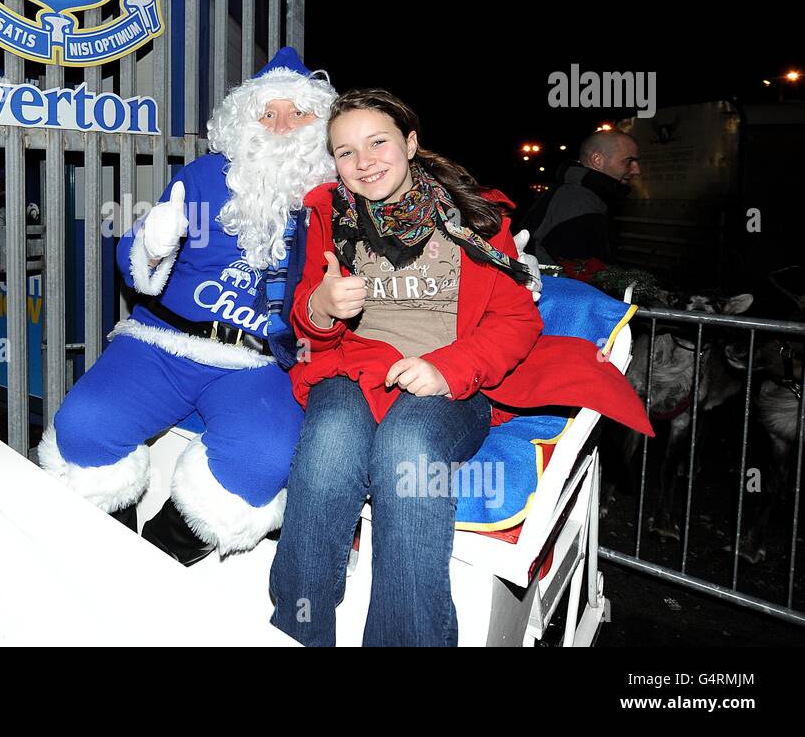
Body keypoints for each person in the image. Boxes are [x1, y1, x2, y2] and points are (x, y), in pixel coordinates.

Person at [269, 88, 650, 646]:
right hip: (354, 369)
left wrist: (449, 368)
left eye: (378, 142)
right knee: (329, 438)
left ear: (411, 143)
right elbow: (306, 320)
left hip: (452, 381)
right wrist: (322, 308)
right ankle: (297, 629)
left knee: (410, 449)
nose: (364, 161)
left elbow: (517, 319)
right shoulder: (328, 214)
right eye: (345, 152)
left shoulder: (472, 218)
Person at [36, 48, 338, 564]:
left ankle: (154, 562)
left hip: (260, 362)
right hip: (163, 342)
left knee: (260, 461)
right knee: (84, 428)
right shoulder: (203, 176)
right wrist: (152, 245)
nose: (282, 125)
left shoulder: (342, 196)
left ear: (323, 123)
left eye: (299, 113)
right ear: (244, 123)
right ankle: (103, 552)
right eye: (267, 113)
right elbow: (139, 257)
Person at [519, 129, 642, 276]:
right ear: (597, 160)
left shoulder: (588, 196)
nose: (637, 170)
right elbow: (582, 277)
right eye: (629, 161)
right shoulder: (577, 201)